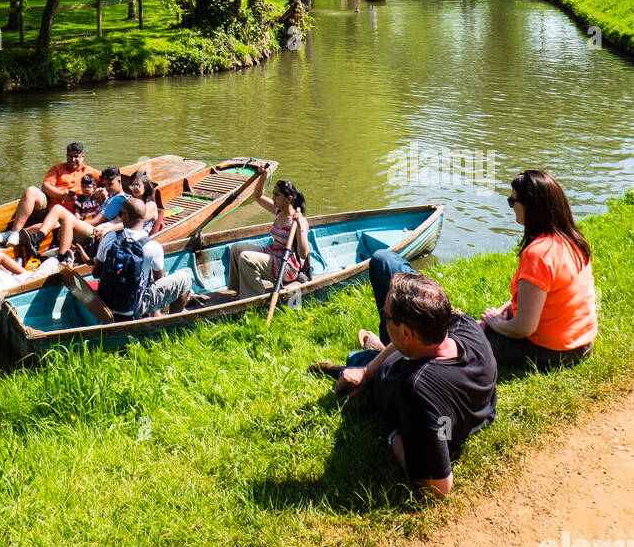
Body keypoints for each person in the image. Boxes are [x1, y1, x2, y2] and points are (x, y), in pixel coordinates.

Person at [329, 258, 497, 498]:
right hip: (408, 352)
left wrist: (395, 439)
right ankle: (375, 351)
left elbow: (440, 487)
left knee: (353, 359)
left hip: (388, 376)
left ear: (407, 333)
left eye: (385, 318)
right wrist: (369, 372)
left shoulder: (418, 390)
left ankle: (368, 354)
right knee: (382, 260)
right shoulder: (466, 326)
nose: (384, 320)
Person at [479, 171, 597, 371]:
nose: (511, 207)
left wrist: (494, 323)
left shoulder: (538, 254)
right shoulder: (571, 240)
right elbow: (539, 297)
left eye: (512, 201)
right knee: (474, 329)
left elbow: (524, 328)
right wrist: (503, 311)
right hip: (583, 342)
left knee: (466, 342)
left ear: (530, 206)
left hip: (554, 352)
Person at [92, 198, 192, 319]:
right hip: (133, 307)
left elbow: (96, 273)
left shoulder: (109, 238)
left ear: (127, 217)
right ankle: (173, 321)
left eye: (120, 214)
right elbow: (158, 280)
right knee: (185, 279)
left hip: (105, 303)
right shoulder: (153, 246)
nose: (119, 217)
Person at [0, 141, 99, 246]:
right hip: (50, 205)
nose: (73, 160)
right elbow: (45, 187)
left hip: (69, 214)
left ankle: (14, 235)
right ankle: (14, 233)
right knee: (31, 191)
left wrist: (101, 192)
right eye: (70, 157)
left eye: (76, 157)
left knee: (50, 225)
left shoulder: (89, 171)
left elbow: (106, 180)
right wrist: (62, 195)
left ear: (82, 156)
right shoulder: (58, 168)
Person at [227, 179, 309, 300]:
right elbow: (258, 196)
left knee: (246, 258)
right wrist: (263, 176)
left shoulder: (298, 221)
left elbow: (303, 254)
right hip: (272, 252)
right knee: (236, 249)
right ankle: (239, 290)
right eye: (273, 194)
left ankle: (253, 300)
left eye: (277, 195)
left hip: (285, 265)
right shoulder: (279, 211)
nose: (273, 197)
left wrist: (300, 225)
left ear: (289, 199)